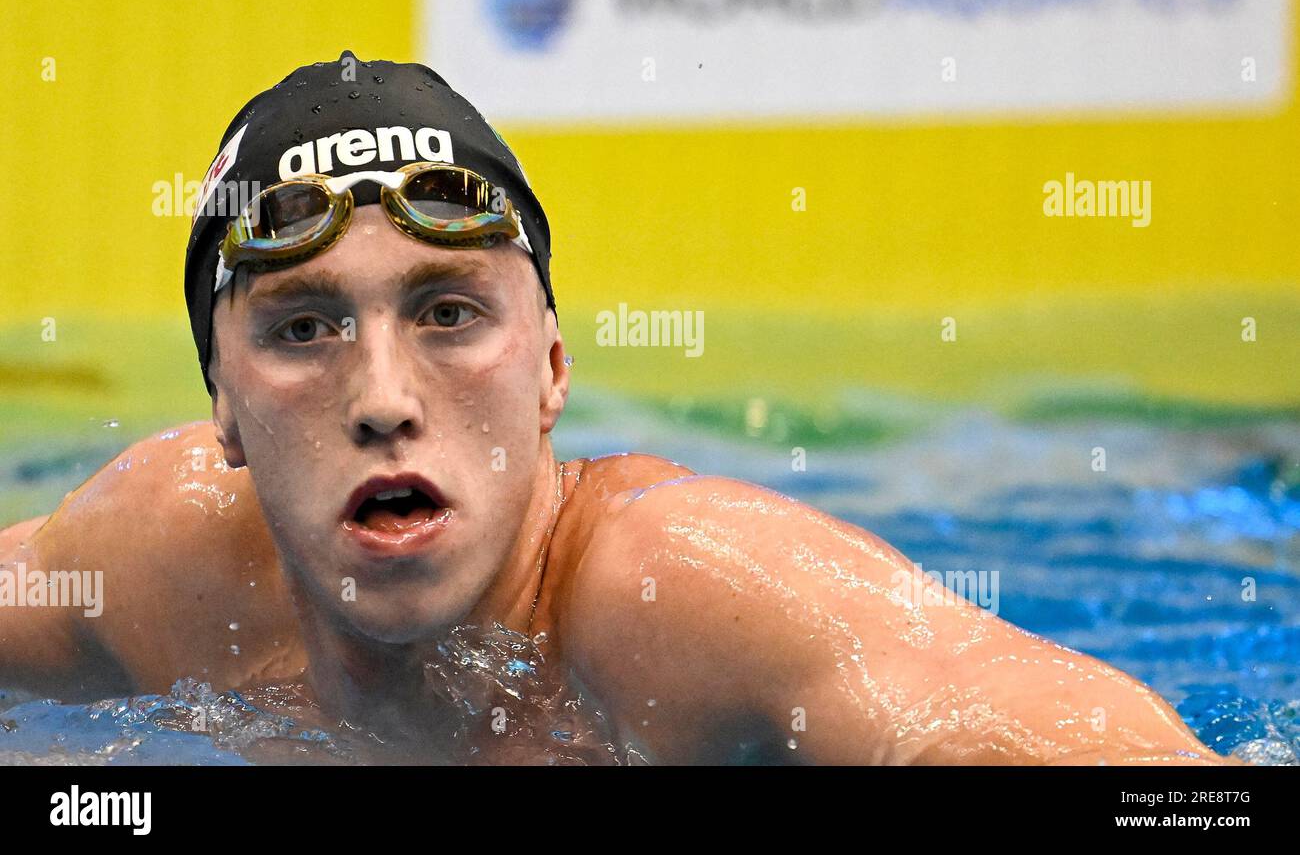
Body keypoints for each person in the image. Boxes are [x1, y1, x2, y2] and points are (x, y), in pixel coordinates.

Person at [0, 52, 1234, 765]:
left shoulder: (687, 594)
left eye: (446, 313)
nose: (382, 399)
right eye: (303, 329)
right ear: (219, 401)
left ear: (549, 370)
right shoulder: (161, 563)